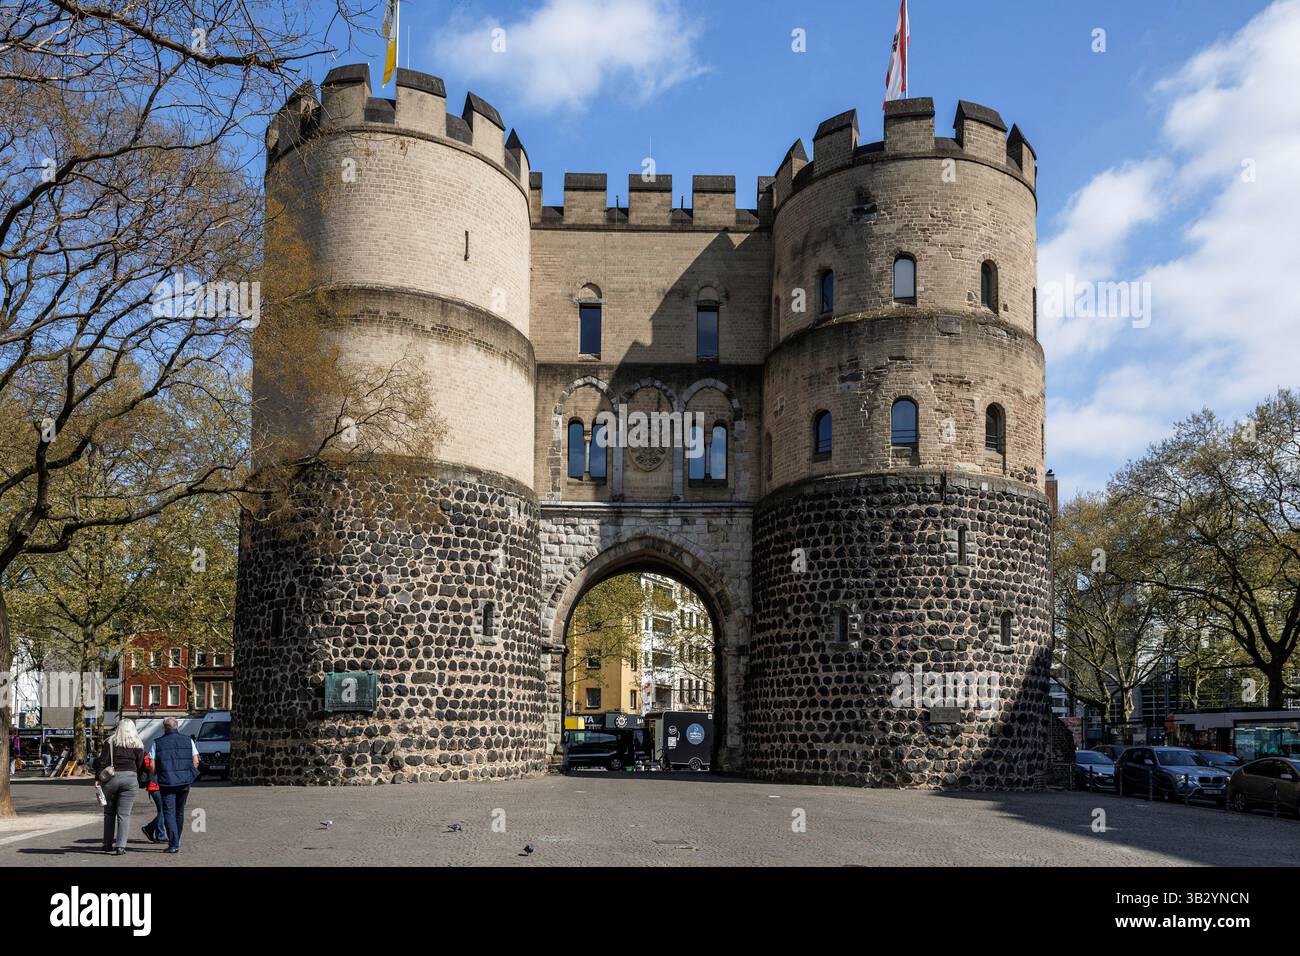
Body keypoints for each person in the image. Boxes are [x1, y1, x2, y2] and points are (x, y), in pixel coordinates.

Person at [148, 717, 199, 854]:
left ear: (164, 728)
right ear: (177, 727)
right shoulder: (188, 740)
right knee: (179, 811)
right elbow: (196, 760)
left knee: (168, 811)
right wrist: (191, 775)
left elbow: (152, 764)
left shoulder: (157, 742)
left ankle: (174, 842)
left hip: (166, 781)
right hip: (184, 781)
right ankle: (176, 839)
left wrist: (154, 776)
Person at [97, 719, 146, 855]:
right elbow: (141, 765)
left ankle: (107, 844)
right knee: (124, 814)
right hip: (130, 779)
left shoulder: (110, 742)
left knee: (109, 813)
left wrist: (98, 779)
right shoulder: (137, 743)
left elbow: (102, 761)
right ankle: (121, 846)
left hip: (111, 778)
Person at [140, 750, 168, 845]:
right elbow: (150, 766)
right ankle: (160, 835)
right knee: (163, 810)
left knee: (164, 810)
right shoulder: (153, 754)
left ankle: (149, 828)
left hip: (156, 786)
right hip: (155, 786)